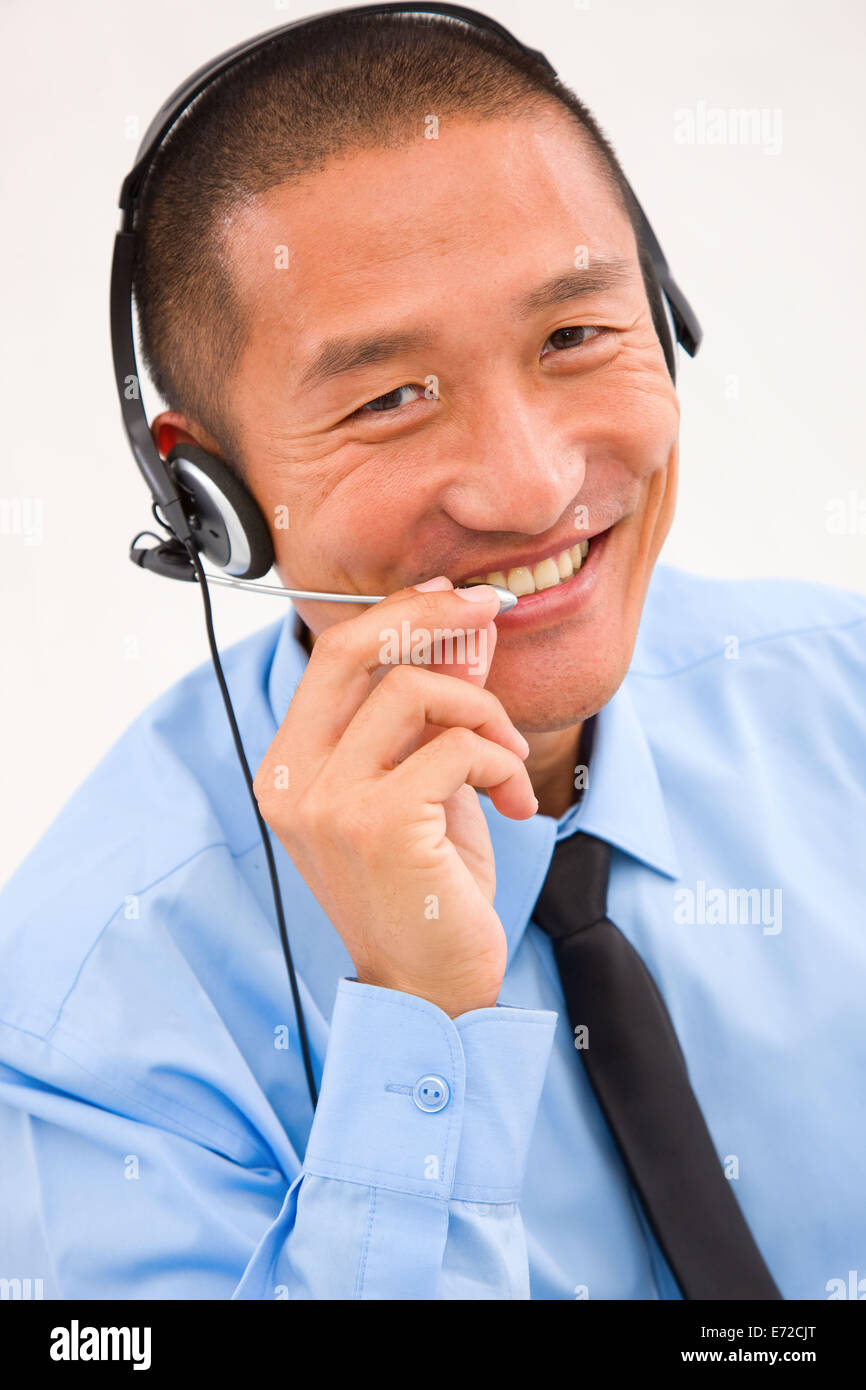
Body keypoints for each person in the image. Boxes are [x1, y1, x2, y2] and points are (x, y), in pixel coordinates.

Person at [1, 8, 864, 1302]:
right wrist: (419, 1021)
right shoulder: (83, 1023)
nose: (528, 487)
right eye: (388, 397)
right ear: (210, 499)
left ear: (666, 316)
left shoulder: (840, 701)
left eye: (574, 335)